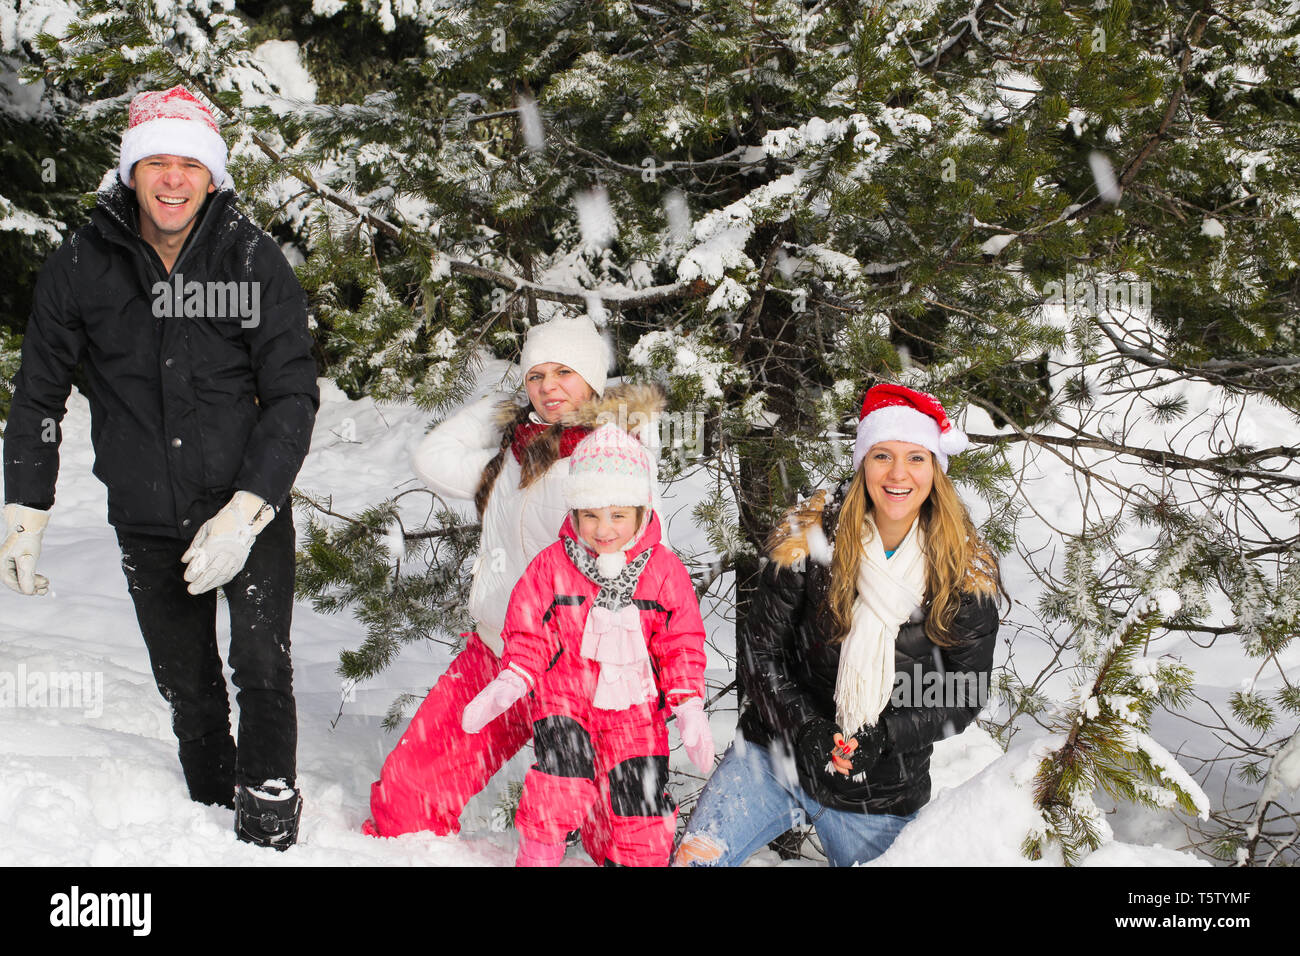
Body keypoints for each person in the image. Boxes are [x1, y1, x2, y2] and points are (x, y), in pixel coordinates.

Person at [0, 86, 319, 849]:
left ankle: (271, 816)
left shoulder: (250, 257)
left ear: (211, 176)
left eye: (188, 164)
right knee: (187, 681)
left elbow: (292, 395)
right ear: (132, 172)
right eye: (156, 164)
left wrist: (248, 509)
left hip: (246, 505)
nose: (172, 180)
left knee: (261, 665)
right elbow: (40, 391)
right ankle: (207, 816)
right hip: (144, 511)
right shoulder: (83, 263)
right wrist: (25, 508)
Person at [675, 383, 1004, 867]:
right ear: (862, 462)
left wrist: (885, 736)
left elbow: (964, 691)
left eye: (916, 458)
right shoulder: (809, 540)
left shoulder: (963, 571)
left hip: (880, 792)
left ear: (936, 469)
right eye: (882, 456)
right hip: (775, 757)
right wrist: (807, 729)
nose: (898, 474)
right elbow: (759, 655)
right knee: (693, 862)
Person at [364, 315, 653, 838]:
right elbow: (431, 457)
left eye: (565, 371)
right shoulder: (510, 459)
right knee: (406, 804)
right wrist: (501, 410)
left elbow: (643, 568)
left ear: (592, 378)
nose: (548, 387)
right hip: (498, 654)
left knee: (621, 841)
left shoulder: (611, 458)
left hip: (580, 673)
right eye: (535, 376)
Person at [461, 420, 713, 866]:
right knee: (559, 784)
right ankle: (539, 858)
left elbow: (681, 641)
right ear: (575, 511)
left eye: (618, 514)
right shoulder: (552, 566)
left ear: (640, 510)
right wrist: (514, 676)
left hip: (635, 712)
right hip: (565, 700)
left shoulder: (663, 570)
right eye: (591, 514)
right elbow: (528, 629)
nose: (604, 529)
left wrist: (688, 700)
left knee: (642, 809)